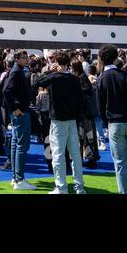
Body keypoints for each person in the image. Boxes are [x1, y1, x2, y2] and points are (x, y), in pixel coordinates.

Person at [34, 51, 86, 194]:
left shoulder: (53, 77)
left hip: (58, 120)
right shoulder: (75, 79)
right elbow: (81, 100)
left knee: (58, 154)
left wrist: (51, 70)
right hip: (72, 120)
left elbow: (37, 82)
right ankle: (79, 186)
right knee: (75, 154)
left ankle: (61, 187)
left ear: (56, 61)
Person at [96, 45, 127, 194]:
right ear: (116, 58)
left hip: (115, 124)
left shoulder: (101, 79)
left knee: (120, 162)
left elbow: (100, 105)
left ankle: (125, 192)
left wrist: (105, 123)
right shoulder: (124, 75)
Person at [1, 51, 33, 190]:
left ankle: (16, 177)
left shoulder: (16, 70)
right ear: (17, 59)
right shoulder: (16, 72)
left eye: (26, 57)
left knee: (16, 143)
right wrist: (14, 108)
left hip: (18, 112)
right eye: (24, 58)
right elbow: (6, 91)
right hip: (20, 112)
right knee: (21, 144)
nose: (26, 59)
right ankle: (19, 179)